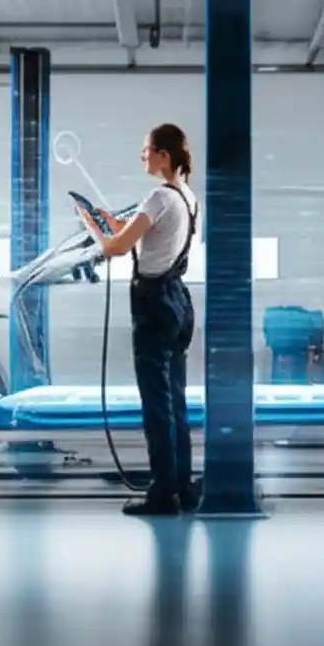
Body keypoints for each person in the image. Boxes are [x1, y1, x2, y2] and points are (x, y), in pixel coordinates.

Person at [75, 123, 200, 516]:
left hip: (154, 304)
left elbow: (114, 248)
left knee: (156, 405)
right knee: (175, 399)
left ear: (164, 154)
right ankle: (181, 483)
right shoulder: (187, 197)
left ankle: (162, 494)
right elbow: (143, 238)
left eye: (146, 150)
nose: (142, 156)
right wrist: (114, 222)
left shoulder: (157, 197)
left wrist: (90, 225)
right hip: (178, 300)